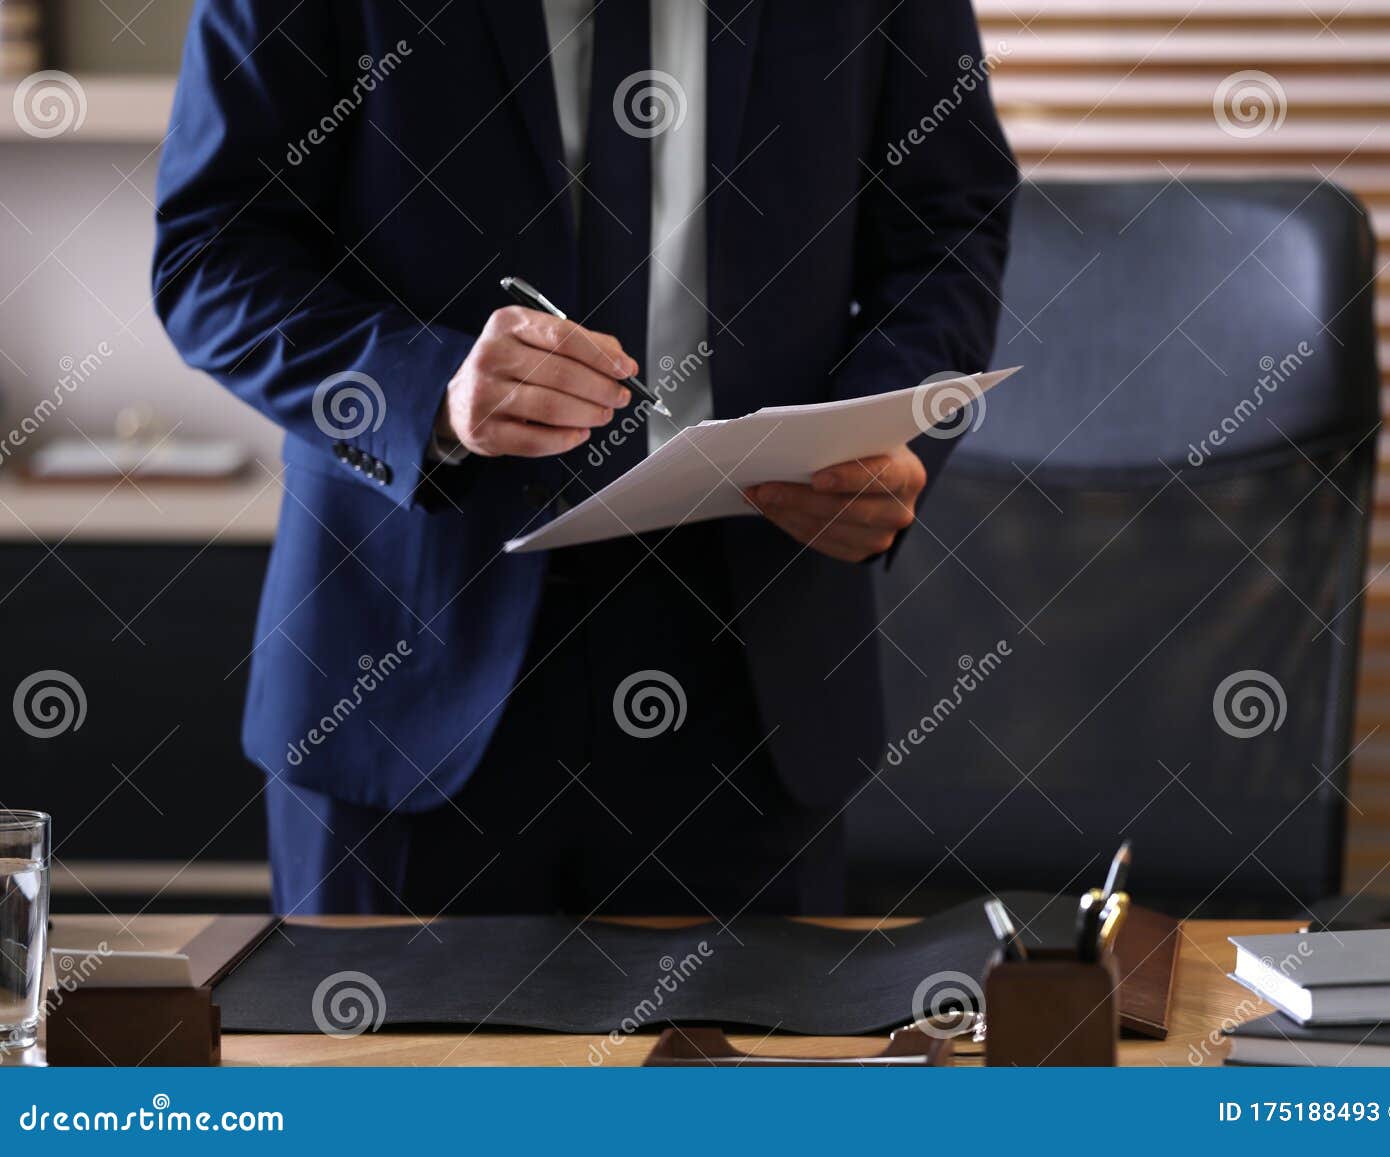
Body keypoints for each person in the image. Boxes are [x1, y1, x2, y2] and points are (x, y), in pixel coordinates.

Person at [153, 0, 1015, 917]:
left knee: (742, 1059)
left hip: (753, 666)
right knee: (387, 1063)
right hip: (404, 662)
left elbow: (948, 224)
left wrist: (887, 429)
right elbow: (213, 250)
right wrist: (427, 392)